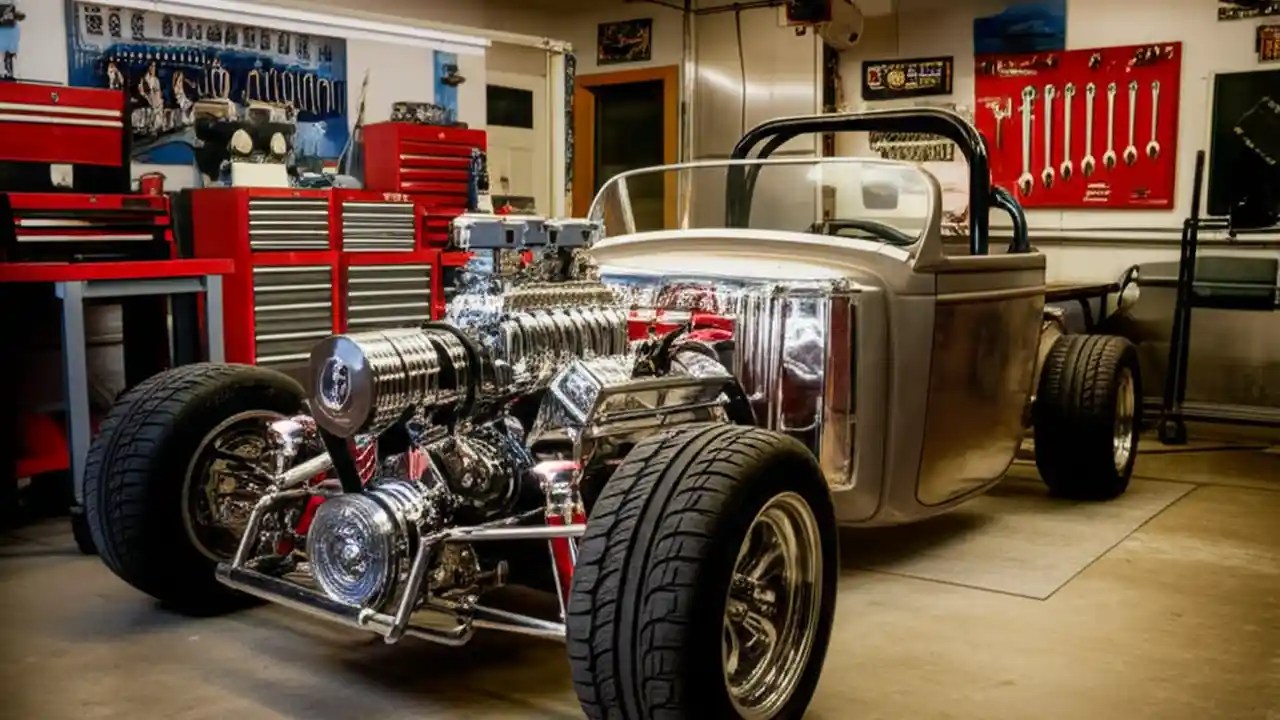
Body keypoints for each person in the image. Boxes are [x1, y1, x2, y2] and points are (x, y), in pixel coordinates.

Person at [0, 2, 24, 80]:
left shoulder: (13, 25)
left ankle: (8, 73)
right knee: (4, 57)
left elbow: (15, 35)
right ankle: (5, 73)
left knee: (9, 57)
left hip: (9, 43)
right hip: (4, 42)